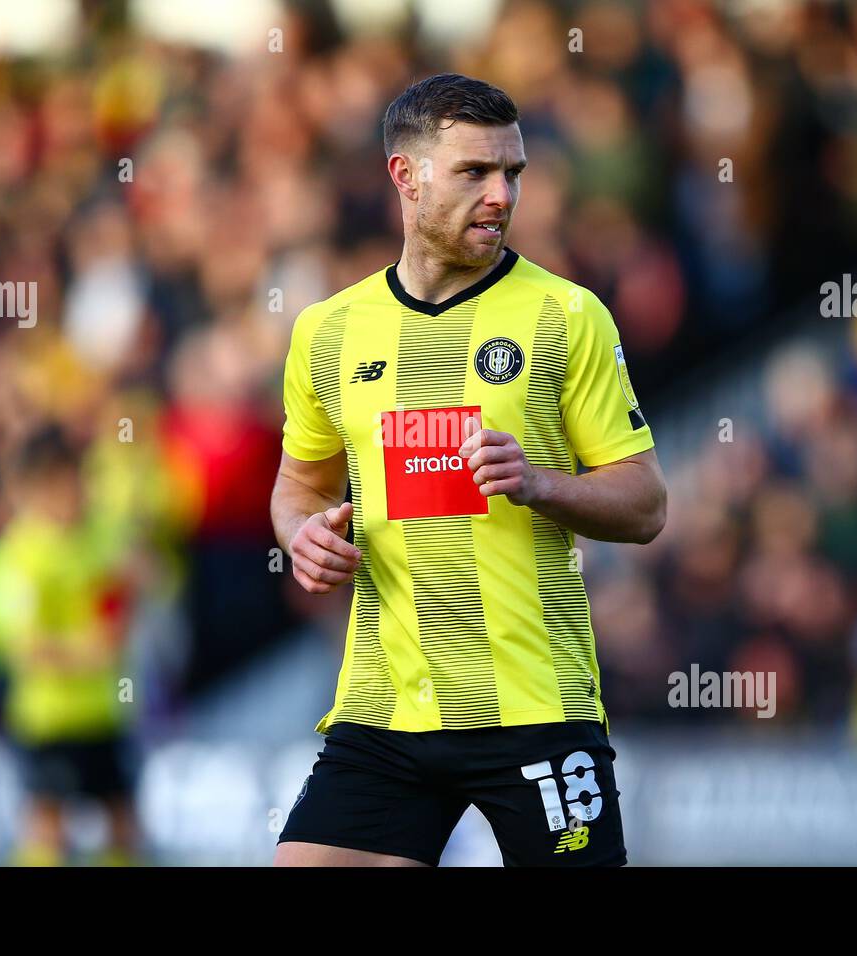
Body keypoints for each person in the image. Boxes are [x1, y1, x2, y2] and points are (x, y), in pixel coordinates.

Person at [270, 74, 667, 867]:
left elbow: (646, 505)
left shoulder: (566, 316)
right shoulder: (329, 330)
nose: (501, 195)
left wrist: (543, 482)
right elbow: (299, 485)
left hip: (534, 702)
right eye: (475, 172)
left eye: (513, 173)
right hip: (386, 706)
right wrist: (301, 534)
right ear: (405, 176)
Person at [0, 425, 139, 865]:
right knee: (47, 830)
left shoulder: (103, 540)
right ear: (35, 489)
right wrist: (87, 652)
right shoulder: (19, 556)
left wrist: (117, 619)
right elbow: (22, 647)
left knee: (122, 825)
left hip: (105, 712)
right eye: (59, 481)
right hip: (47, 719)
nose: (73, 491)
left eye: (75, 478)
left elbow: (117, 609)